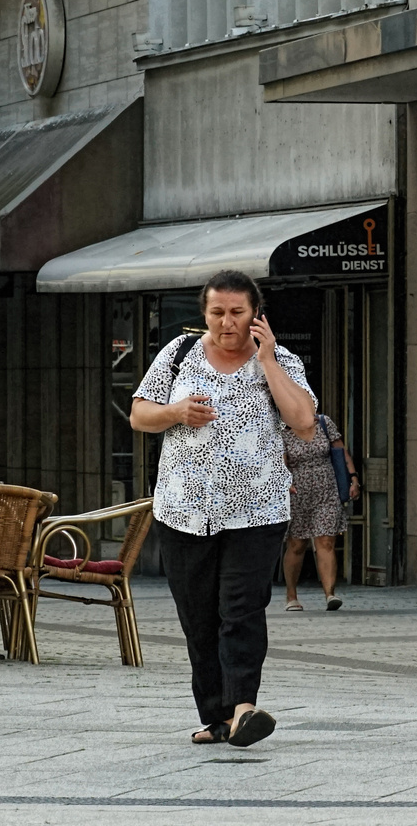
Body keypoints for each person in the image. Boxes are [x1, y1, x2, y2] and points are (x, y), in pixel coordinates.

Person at [130, 269, 317, 748]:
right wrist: (175, 413)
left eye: (237, 312)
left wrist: (269, 359)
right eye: (217, 312)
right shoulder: (178, 355)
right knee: (199, 617)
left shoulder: (281, 361)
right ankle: (217, 718)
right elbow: (139, 415)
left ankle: (244, 709)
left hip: (256, 511)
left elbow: (303, 422)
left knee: (242, 610)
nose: (226, 322)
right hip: (184, 510)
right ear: (205, 312)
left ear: (256, 315)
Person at [282, 413, 356, 612]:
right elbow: (280, 462)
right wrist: (284, 483)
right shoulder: (281, 428)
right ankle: (291, 596)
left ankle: (330, 594)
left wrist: (352, 477)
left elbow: (340, 451)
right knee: (297, 544)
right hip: (298, 492)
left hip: (327, 488)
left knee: (326, 541)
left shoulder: (323, 422)